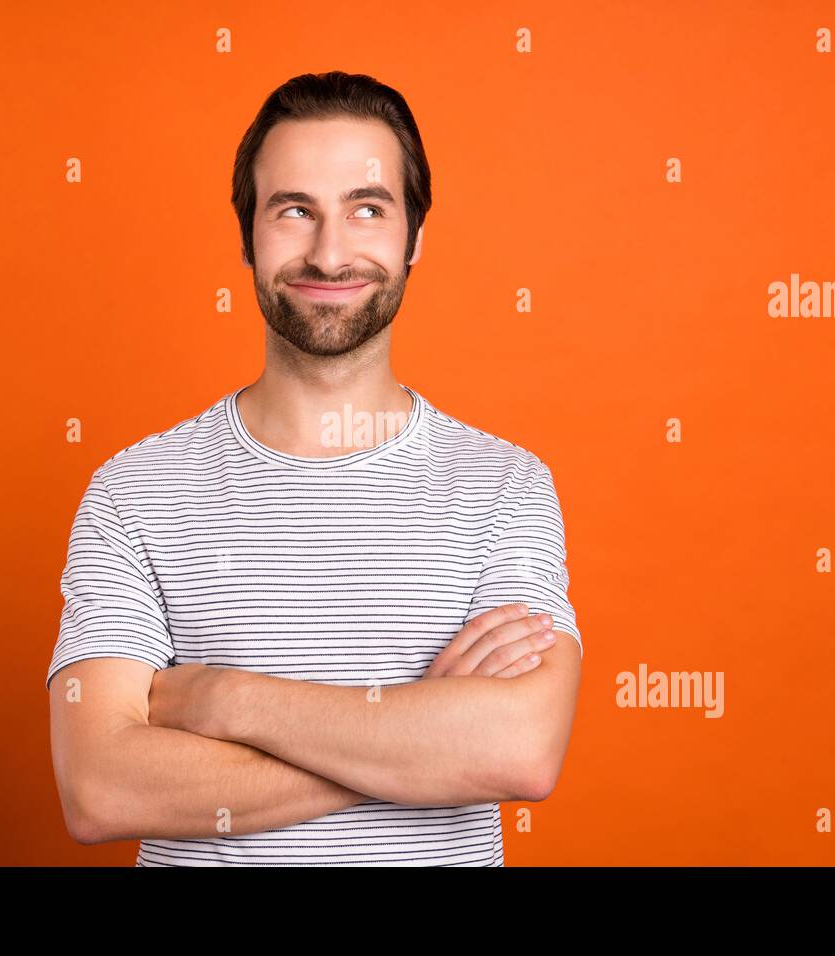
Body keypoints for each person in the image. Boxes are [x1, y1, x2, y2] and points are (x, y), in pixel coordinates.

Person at [46, 71, 582, 866]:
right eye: (294, 210)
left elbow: (522, 751)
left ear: (414, 236)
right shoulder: (134, 492)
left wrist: (227, 700)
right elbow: (99, 788)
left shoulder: (504, 485)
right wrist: (421, 734)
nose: (330, 254)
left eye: (368, 208)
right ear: (245, 236)